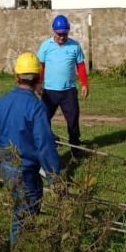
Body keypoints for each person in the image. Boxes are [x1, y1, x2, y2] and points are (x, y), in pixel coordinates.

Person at [0, 52, 61, 243]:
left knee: (18, 210)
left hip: (6, 168)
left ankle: (19, 250)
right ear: (38, 78)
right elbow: (44, 145)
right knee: (24, 219)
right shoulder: (37, 107)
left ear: (16, 77)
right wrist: (55, 177)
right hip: (26, 171)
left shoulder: (1, 103)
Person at [37, 14, 89, 156]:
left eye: (65, 34)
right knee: (43, 119)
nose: (62, 37)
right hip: (49, 92)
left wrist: (84, 84)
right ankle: (48, 143)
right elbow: (41, 66)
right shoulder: (46, 46)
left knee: (72, 121)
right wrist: (39, 84)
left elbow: (80, 66)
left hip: (68, 92)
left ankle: (75, 149)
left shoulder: (74, 46)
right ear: (54, 31)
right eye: (59, 34)